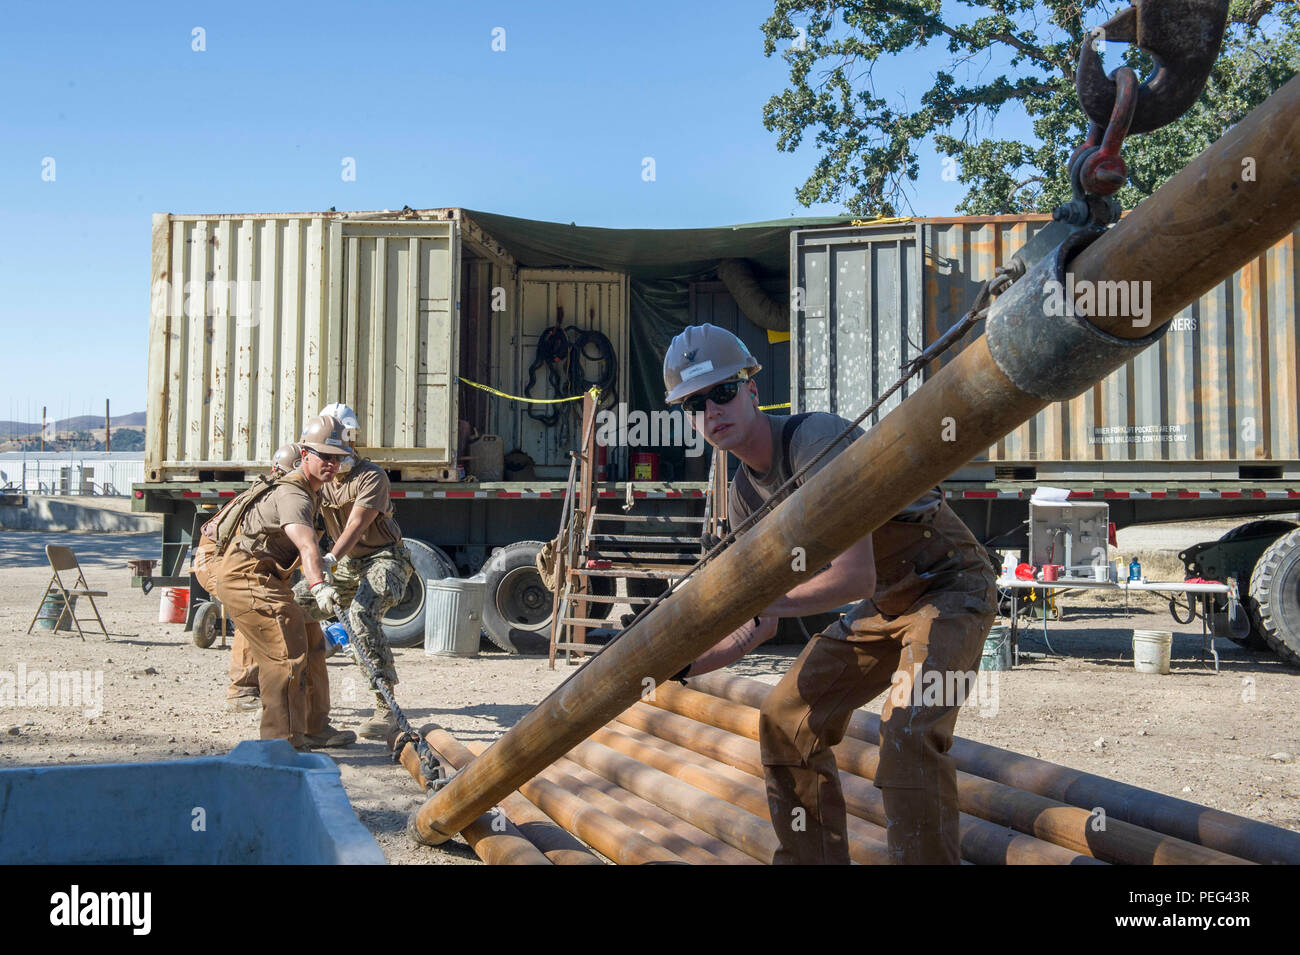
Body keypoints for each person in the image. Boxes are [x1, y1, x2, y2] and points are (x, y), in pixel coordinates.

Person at [662, 324, 996, 865]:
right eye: (694, 404)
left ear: (751, 387)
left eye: (722, 392)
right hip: (886, 603)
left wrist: (757, 600)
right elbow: (760, 625)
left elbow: (852, 578)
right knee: (784, 718)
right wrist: (680, 664)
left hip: (949, 585)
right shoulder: (743, 493)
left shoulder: (814, 440)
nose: (710, 411)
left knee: (908, 734)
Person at [194, 417, 357, 751]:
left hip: (268, 576)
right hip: (247, 576)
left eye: (337, 457)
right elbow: (307, 545)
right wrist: (318, 586)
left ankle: (313, 726)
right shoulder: (293, 495)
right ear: (304, 455)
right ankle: (281, 745)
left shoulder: (311, 491)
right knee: (284, 658)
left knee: (310, 639)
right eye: (324, 456)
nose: (332, 463)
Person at [311, 403, 414, 741]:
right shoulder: (321, 480)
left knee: (361, 615)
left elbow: (357, 524)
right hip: (347, 564)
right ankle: (295, 693)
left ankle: (386, 707)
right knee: (296, 607)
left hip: (385, 558)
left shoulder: (371, 476)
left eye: (344, 441)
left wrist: (328, 560)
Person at [223, 442, 303, 709]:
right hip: (221, 558)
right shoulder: (279, 495)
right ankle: (242, 691)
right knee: (252, 613)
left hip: (233, 559)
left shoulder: (276, 491)